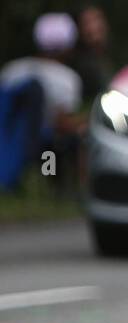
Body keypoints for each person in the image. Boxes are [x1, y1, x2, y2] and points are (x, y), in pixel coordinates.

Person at [0, 13, 84, 190]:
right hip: (42, 147)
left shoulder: (12, 69)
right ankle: (51, 186)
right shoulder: (67, 78)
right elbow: (61, 123)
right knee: (63, 141)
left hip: (7, 140)